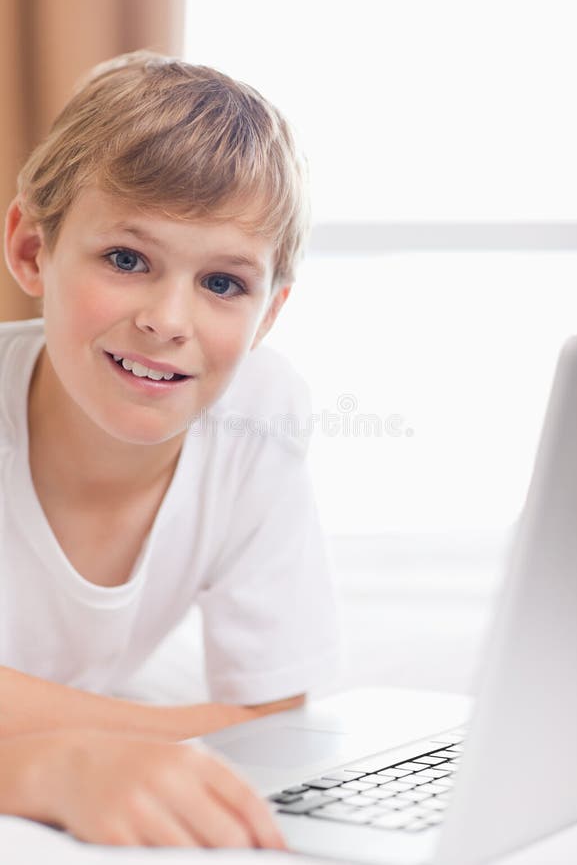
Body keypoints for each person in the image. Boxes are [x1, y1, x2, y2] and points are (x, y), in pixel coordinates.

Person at [0, 50, 340, 848]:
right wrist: (48, 764)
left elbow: (274, 720)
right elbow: (242, 729)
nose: (168, 319)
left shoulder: (262, 410)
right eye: (127, 259)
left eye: (223, 283)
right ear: (31, 251)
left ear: (269, 312)